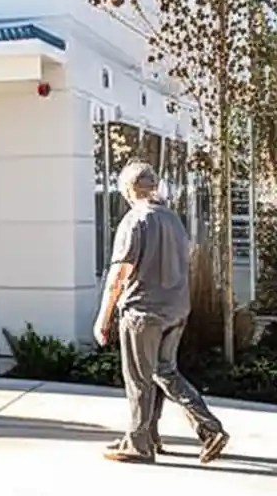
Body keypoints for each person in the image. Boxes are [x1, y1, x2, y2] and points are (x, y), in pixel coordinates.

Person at [93, 161, 229, 464]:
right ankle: (163, 434)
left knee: (139, 379)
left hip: (143, 312)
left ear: (129, 190)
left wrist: (103, 318)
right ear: (154, 187)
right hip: (176, 310)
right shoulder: (173, 220)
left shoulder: (134, 221)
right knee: (162, 371)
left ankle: (140, 445)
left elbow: (119, 275)